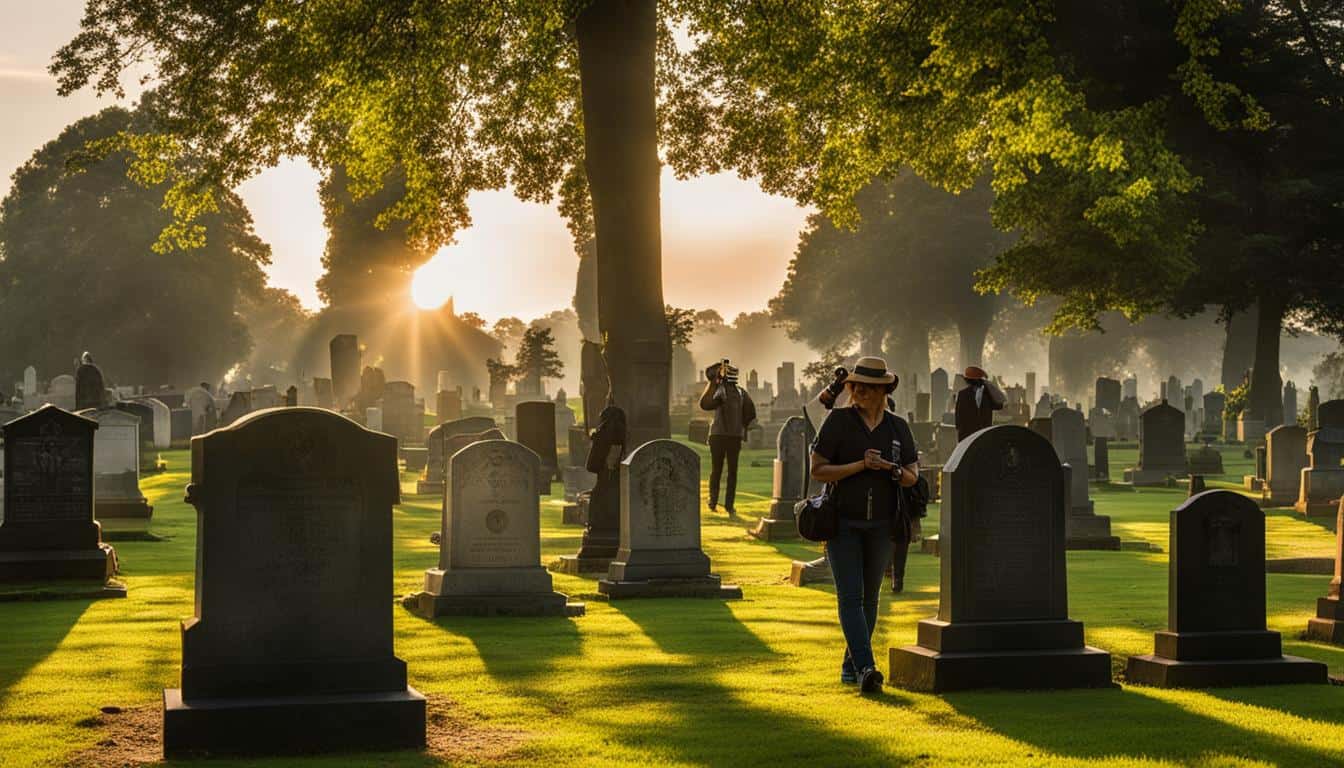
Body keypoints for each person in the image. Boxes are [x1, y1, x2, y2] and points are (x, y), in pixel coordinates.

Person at [810, 356, 918, 693]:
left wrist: (893, 470)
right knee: (850, 598)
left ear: (882, 389)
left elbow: (913, 476)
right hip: (842, 521)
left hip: (883, 523)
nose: (857, 391)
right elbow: (818, 469)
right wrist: (859, 465)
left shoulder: (898, 427)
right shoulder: (838, 422)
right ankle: (866, 668)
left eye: (866, 387)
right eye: (854, 386)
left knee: (870, 599)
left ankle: (850, 665)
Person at [699, 360, 756, 516]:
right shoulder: (740, 392)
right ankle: (728, 505)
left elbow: (704, 404)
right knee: (731, 472)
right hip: (732, 436)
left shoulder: (721, 390)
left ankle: (713, 501)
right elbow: (751, 414)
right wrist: (742, 426)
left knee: (717, 470)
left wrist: (713, 382)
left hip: (719, 435)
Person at [954, 366, 1005, 441]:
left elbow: (1000, 405)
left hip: (984, 434)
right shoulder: (962, 394)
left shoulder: (988, 394)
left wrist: (990, 387)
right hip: (967, 436)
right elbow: (958, 418)